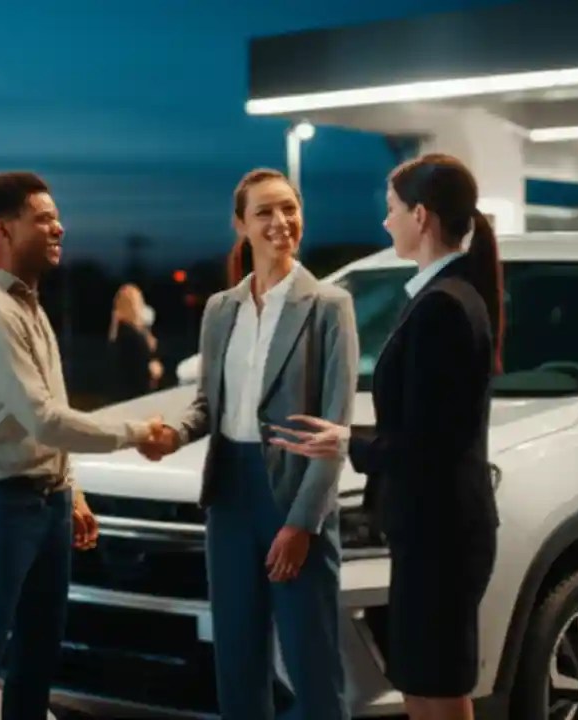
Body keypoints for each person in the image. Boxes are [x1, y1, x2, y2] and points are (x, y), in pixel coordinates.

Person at [269, 153, 503, 720]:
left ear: (421, 216)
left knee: (438, 687)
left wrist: (347, 443)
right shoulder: (444, 295)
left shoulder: (443, 307)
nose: (386, 221)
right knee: (424, 683)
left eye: (392, 209)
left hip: (440, 531)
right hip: (434, 527)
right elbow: (425, 424)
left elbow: (428, 443)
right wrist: (352, 438)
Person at [0, 171, 162, 720]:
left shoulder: (30, 307)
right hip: (0, 506)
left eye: (56, 216)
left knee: (38, 658)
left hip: (50, 504)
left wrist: (73, 490)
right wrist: (138, 433)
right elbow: (44, 419)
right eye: (43, 218)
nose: (59, 226)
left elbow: (46, 414)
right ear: (4, 230)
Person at [138, 168, 359, 720]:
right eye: (264, 212)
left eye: (289, 208)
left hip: (292, 495)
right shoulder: (220, 309)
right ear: (240, 224)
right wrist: (175, 434)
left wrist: (302, 523)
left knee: (313, 667)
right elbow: (209, 404)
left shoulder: (330, 306)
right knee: (237, 662)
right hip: (229, 496)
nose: (280, 222)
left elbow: (335, 428)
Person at [107, 283, 164, 400]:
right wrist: (151, 370)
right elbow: (136, 365)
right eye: (139, 301)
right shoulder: (129, 334)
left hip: (126, 395)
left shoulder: (123, 330)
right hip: (134, 396)